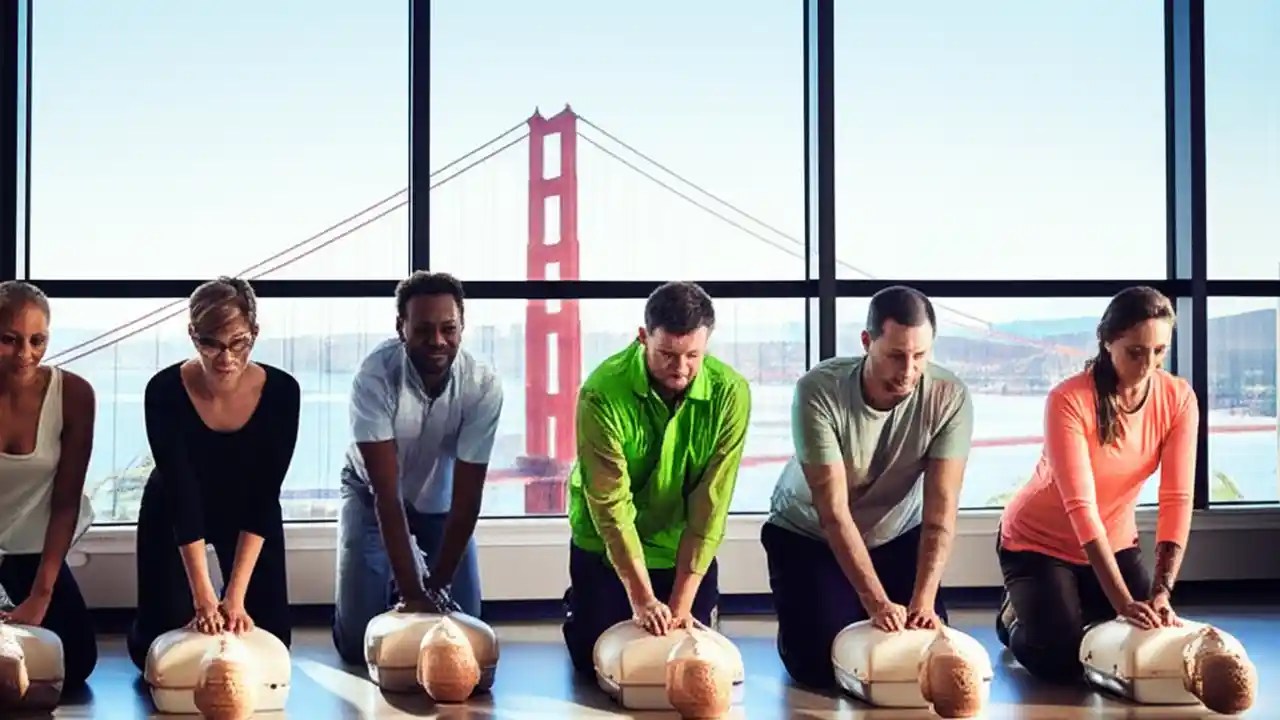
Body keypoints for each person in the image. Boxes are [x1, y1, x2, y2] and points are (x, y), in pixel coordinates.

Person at [762, 285, 974, 689]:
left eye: (920, 356)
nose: (908, 370)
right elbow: (834, 513)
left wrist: (924, 599)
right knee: (818, 665)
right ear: (866, 342)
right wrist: (876, 602)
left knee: (921, 651)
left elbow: (941, 511)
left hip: (895, 533)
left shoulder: (950, 397)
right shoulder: (817, 390)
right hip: (809, 533)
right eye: (895, 355)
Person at [995, 286, 1196, 683]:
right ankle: (1011, 617)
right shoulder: (1068, 399)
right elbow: (1081, 507)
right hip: (1039, 542)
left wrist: (1161, 592)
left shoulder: (1178, 399)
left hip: (1114, 542)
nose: (1148, 365)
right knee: (1061, 659)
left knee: (1149, 635)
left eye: (1159, 351)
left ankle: (1075, 604)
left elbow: (1177, 498)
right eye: (1135, 352)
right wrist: (1122, 602)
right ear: (1107, 342)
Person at [561, 281, 752, 676]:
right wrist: (643, 599)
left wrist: (680, 607)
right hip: (606, 544)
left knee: (688, 659)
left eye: (693, 355)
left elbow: (711, 504)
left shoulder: (731, 393)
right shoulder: (600, 393)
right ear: (643, 337)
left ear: (707, 344)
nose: (680, 368)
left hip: (678, 542)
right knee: (594, 661)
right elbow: (612, 506)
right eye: (667, 354)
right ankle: (581, 605)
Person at [126, 277, 300, 671]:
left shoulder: (282, 392)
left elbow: (264, 494)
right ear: (193, 335)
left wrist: (234, 596)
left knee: (271, 639)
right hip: (174, 505)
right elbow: (181, 493)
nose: (226, 358)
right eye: (211, 344)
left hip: (249, 506)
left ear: (254, 333)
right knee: (155, 646)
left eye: (238, 343)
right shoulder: (164, 390)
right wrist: (204, 596)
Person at [331, 271, 503, 665]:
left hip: (440, 499)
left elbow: (467, 502)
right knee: (358, 643)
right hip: (370, 494)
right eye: (423, 329)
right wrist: (413, 596)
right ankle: (391, 587)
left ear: (462, 327)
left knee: (466, 627)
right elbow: (387, 498)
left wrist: (436, 588)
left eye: (448, 328)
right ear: (401, 328)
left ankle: (404, 583)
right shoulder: (373, 377)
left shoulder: (482, 385)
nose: (437, 340)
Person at [0, 280, 99, 689]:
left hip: (33, 545)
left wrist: (42, 593)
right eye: (9, 340)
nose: (25, 354)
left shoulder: (74, 394)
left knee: (76, 662)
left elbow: (65, 502)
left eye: (37, 341)